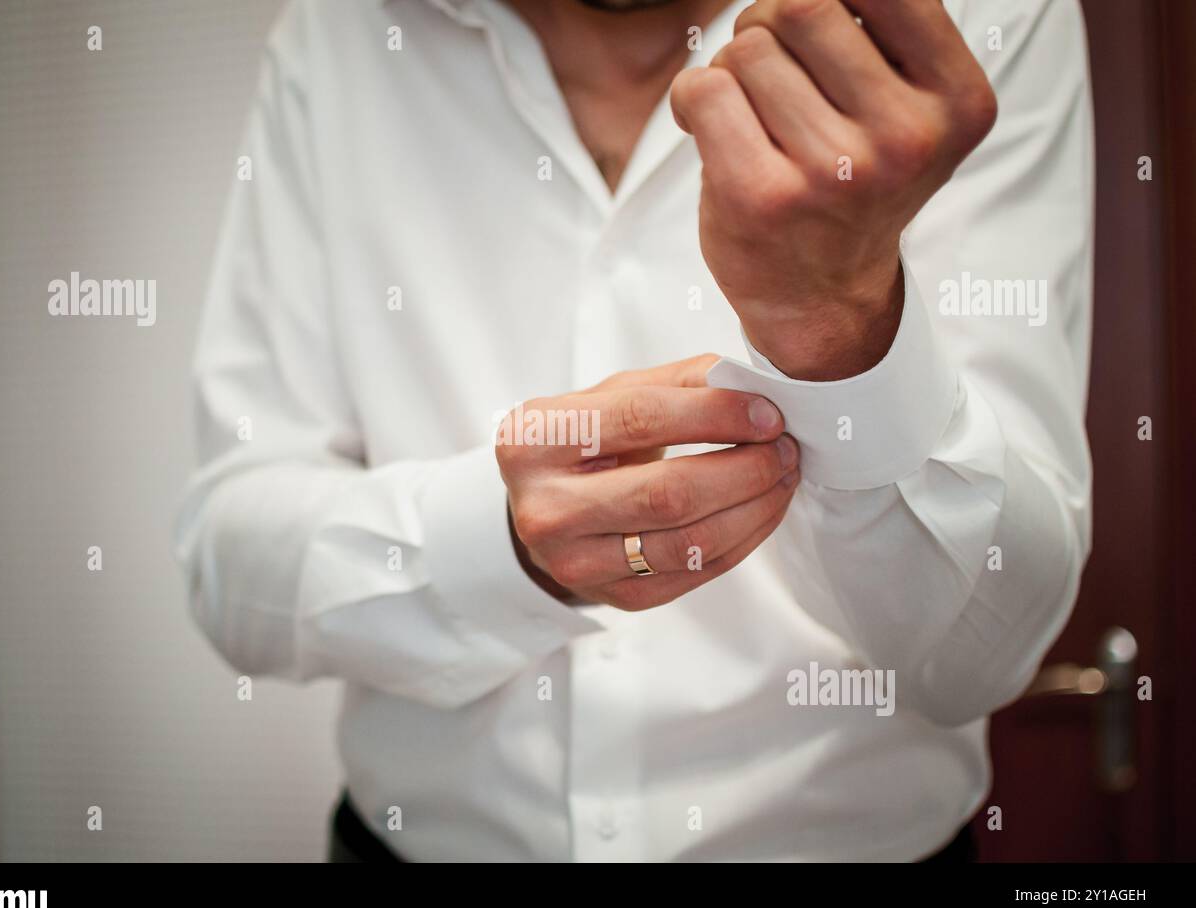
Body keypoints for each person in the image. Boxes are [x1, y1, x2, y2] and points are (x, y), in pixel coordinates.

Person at [175, 0, 1093, 861]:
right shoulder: (338, 33)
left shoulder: (975, 13)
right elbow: (230, 552)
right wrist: (498, 550)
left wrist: (842, 325)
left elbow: (982, 657)